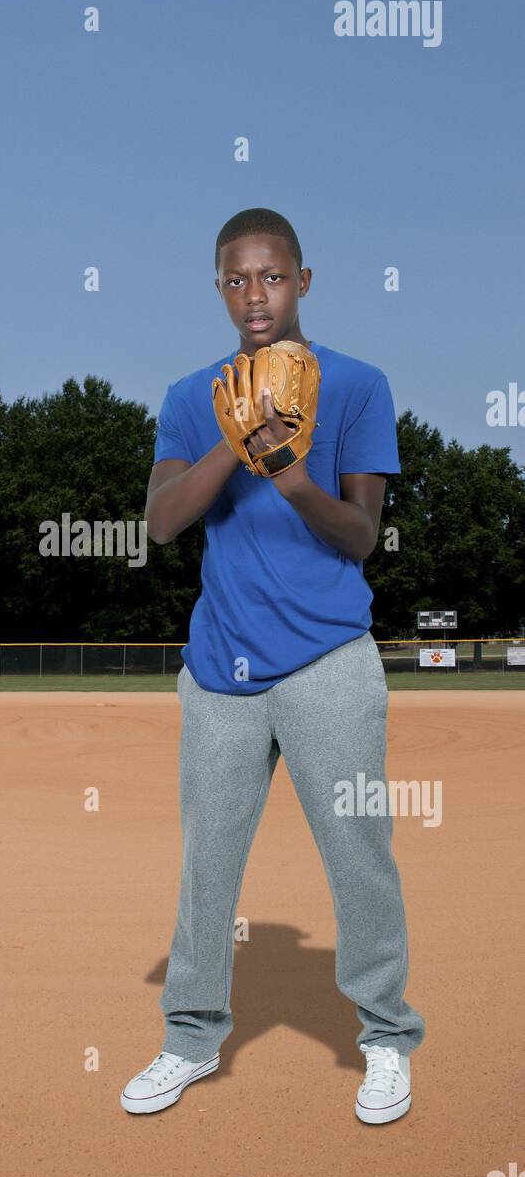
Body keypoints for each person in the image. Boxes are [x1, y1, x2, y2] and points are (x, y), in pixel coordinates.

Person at [120, 207, 425, 1124]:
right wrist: (234, 433)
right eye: (236, 279)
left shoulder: (360, 386)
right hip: (220, 670)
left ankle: (382, 1035)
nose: (256, 295)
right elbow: (163, 522)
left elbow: (361, 537)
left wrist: (289, 470)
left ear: (303, 280)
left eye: (273, 277)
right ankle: (189, 1037)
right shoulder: (187, 394)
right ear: (219, 288)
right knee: (207, 866)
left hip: (329, 661)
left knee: (358, 854)